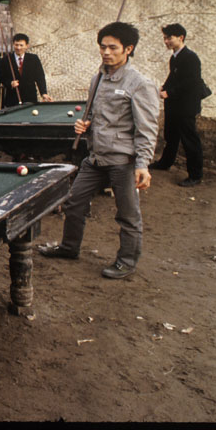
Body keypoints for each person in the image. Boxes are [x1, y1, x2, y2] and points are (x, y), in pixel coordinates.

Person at [38, 22, 159, 279]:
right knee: (74, 203)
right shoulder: (98, 78)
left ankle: (126, 262)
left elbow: (146, 129)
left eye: (112, 47)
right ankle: (69, 247)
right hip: (95, 157)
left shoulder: (140, 84)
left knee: (127, 215)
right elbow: (93, 113)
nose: (106, 52)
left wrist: (142, 164)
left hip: (122, 161)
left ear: (128, 49)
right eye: (102, 47)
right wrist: (86, 124)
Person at [150, 23, 205, 187]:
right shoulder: (175, 56)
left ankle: (195, 175)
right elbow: (174, 76)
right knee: (171, 135)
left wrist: (170, 92)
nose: (166, 41)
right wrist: (164, 87)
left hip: (186, 105)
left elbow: (192, 82)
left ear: (181, 38)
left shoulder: (190, 57)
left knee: (189, 140)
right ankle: (165, 163)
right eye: (165, 38)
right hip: (174, 104)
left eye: (169, 38)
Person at [0, 33, 54, 106]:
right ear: (13, 44)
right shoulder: (5, 60)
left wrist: (43, 93)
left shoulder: (34, 59)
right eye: (16, 45)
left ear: (27, 46)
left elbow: (40, 77)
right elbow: (1, 78)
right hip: (12, 100)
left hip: (30, 99)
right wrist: (10, 83)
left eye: (21, 45)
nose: (18, 48)